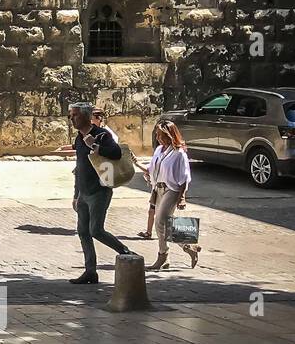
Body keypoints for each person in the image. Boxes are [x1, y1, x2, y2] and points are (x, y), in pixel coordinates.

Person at [68, 103, 132, 284]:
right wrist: (76, 194)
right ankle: (90, 272)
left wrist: (95, 145)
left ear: (86, 116)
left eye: (75, 115)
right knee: (83, 231)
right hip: (84, 192)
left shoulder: (101, 134)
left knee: (96, 230)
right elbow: (79, 168)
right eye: (70, 116)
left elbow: (116, 153)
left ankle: (127, 254)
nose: (72, 119)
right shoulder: (79, 138)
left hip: (99, 191)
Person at [138, 119, 201, 271]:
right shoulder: (159, 150)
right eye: (157, 135)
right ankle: (189, 245)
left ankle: (163, 255)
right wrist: (135, 162)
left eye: (161, 135)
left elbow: (184, 178)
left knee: (159, 222)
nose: (158, 138)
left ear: (170, 135)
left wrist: (182, 197)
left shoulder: (179, 154)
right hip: (158, 189)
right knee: (166, 224)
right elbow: (151, 169)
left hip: (172, 190)